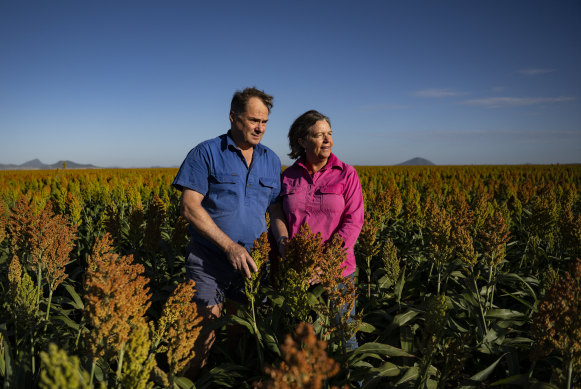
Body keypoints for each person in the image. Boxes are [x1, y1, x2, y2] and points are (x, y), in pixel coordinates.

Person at [172, 87, 281, 378]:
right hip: (210, 261)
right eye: (254, 120)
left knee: (240, 338)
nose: (260, 127)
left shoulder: (271, 160)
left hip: (252, 265)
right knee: (200, 338)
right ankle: (192, 381)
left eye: (265, 122)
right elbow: (189, 207)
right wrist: (229, 246)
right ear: (233, 117)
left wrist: (283, 243)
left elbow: (276, 209)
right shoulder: (206, 152)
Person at [269, 109, 364, 347]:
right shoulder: (288, 176)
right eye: (319, 134)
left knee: (344, 340)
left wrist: (325, 264)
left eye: (329, 134)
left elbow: (353, 222)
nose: (327, 139)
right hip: (299, 270)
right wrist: (282, 241)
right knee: (303, 341)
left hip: (337, 272)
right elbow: (277, 211)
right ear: (302, 141)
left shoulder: (347, 174)